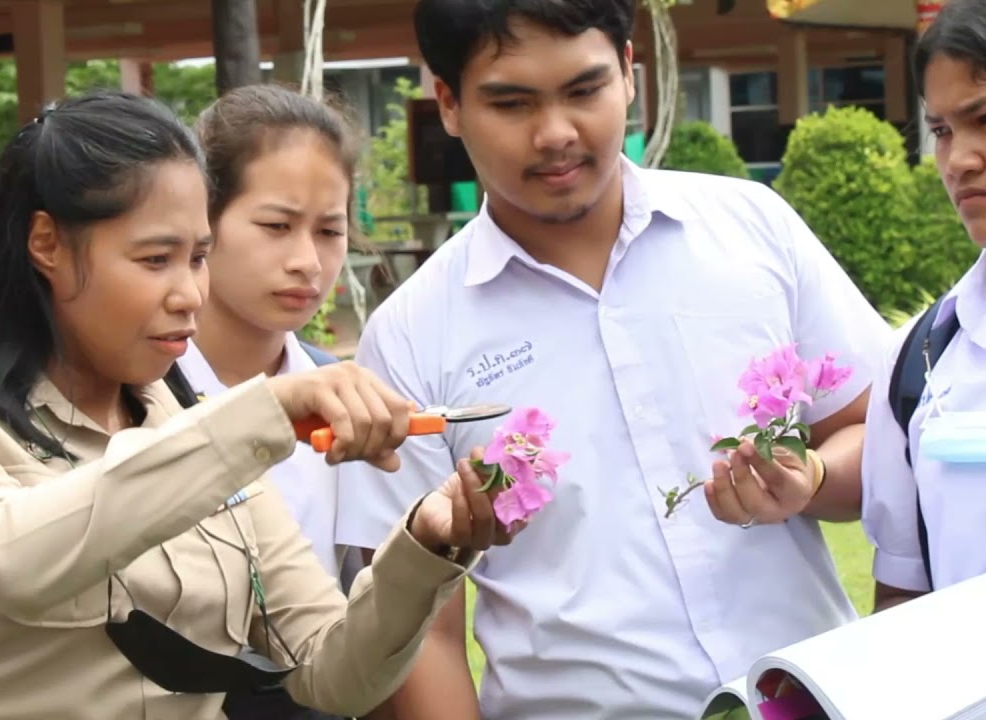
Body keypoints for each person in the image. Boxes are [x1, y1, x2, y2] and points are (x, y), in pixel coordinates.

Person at [0, 90, 524, 720]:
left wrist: (424, 547)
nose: (189, 294)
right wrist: (257, 418)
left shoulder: (197, 427)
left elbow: (330, 668)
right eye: (154, 260)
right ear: (46, 244)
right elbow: (6, 558)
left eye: (198, 257)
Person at [335, 1, 890, 718]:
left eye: (584, 90)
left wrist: (810, 478)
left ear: (630, 73)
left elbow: (875, 438)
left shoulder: (753, 229)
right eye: (511, 102)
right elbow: (418, 637)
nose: (555, 133)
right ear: (448, 103)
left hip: (809, 702)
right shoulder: (410, 335)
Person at [181, 83, 369, 720]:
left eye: (329, 231)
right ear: (200, 220)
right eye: (275, 226)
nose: (306, 262)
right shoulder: (134, 393)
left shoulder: (350, 396)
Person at [861, 0, 985, 612]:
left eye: (983, 119)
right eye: (941, 131)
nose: (959, 160)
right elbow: (900, 606)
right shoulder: (922, 360)